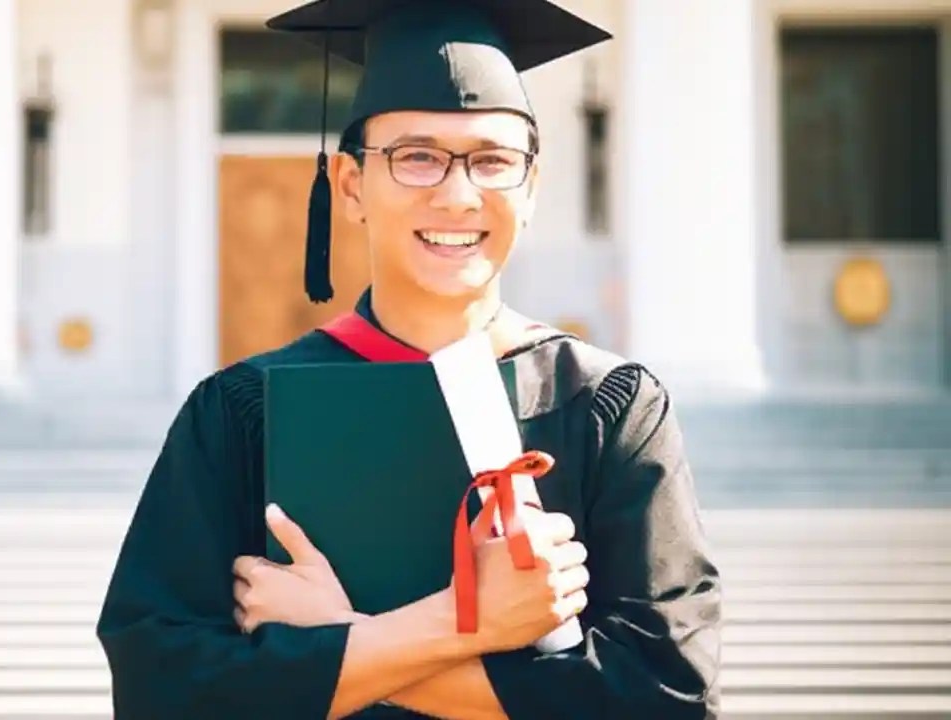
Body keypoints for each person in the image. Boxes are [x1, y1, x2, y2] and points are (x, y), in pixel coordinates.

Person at [97, 1, 721, 718]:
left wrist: (344, 643)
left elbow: (668, 692)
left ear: (532, 187)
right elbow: (158, 685)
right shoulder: (243, 410)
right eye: (416, 157)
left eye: (493, 161)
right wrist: (469, 623)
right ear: (353, 186)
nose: (458, 195)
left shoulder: (608, 407)